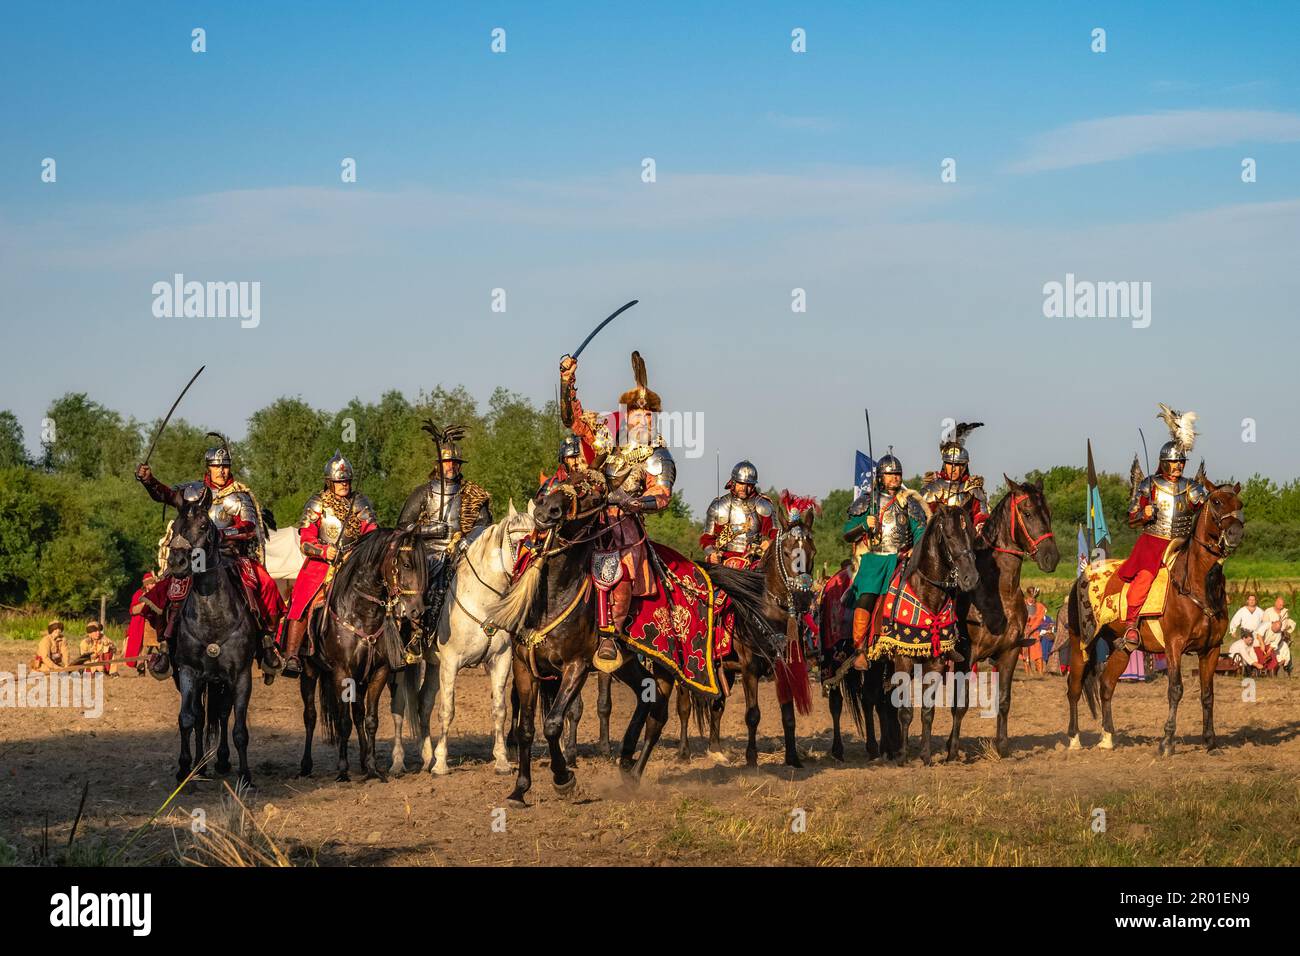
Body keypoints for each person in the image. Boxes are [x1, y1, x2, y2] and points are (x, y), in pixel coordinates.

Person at [559, 350, 676, 671]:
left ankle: (610, 634)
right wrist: (566, 379)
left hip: (624, 522)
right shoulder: (606, 435)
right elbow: (572, 419)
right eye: (637, 415)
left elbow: (662, 495)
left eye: (648, 416)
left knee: (622, 564)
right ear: (627, 415)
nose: (642, 420)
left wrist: (634, 502)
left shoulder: (657, 454)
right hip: (589, 513)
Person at [135, 439, 284, 677]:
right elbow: (165, 495)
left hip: (230, 555)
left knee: (265, 583)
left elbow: (248, 528)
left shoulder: (239, 496)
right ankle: (165, 645)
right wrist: (148, 480)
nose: (222, 471)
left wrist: (220, 534)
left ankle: (267, 643)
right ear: (209, 468)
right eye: (217, 466)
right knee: (168, 589)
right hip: (197, 556)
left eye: (225, 466)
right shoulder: (192, 492)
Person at [1113, 404, 1208, 651]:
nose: (1178, 467)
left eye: (1180, 463)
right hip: (1153, 543)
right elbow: (1131, 517)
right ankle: (1132, 625)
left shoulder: (1191, 487)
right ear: (1164, 463)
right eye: (1173, 463)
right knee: (1144, 579)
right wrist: (1144, 514)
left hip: (1183, 543)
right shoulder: (1149, 485)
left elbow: (1205, 512)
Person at [396, 425, 493, 658]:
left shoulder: (472, 493)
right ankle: (415, 633)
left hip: (462, 551)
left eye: (454, 463)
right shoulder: (423, 492)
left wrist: (467, 540)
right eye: (446, 463)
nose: (451, 466)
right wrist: (429, 530)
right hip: (426, 553)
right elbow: (402, 526)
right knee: (421, 586)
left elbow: (485, 525)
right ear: (437, 465)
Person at [281, 453, 379, 677]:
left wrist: (358, 552)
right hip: (322, 566)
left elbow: (372, 533)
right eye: (338, 481)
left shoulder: (360, 503)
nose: (343, 485)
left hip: (354, 564)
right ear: (329, 482)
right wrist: (326, 551)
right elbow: (306, 542)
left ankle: (391, 651)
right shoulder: (318, 504)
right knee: (303, 600)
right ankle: (293, 655)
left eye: (346, 481)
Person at [842, 452, 928, 668]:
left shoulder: (909, 502)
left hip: (901, 560)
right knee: (867, 597)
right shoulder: (866, 502)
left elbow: (920, 531)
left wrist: (914, 550)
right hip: (874, 560)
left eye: (898, 474)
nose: (895, 478)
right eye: (890, 475)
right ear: (880, 477)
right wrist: (864, 525)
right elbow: (846, 533)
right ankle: (860, 649)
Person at [700, 460, 776, 569]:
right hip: (724, 561)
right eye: (741, 483)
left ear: (753, 485)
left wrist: (769, 543)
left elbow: (776, 535)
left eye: (748, 484)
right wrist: (712, 554)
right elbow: (707, 538)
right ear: (733, 482)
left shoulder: (764, 505)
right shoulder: (719, 506)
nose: (744, 488)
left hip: (754, 561)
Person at [920, 423, 989, 533]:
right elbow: (920, 520)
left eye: (957, 465)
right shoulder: (932, 488)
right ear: (944, 464)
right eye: (949, 464)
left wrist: (980, 527)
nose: (953, 469)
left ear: (964, 466)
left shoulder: (973, 489)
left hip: (967, 541)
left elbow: (981, 515)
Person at [1257, 596, 1295, 676]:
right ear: (1276, 603)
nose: (1282, 607)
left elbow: (1285, 624)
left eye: (1282, 605)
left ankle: (1284, 666)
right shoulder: (1268, 612)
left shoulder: (1284, 612)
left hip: (1279, 637)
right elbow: (1264, 626)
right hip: (1268, 636)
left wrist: (1286, 632)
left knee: (1285, 649)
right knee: (1271, 652)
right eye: (1280, 605)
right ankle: (1270, 667)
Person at [1022, 587, 1047, 675]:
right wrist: (1025, 628)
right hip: (1023, 632)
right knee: (1025, 653)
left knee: (1038, 652)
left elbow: (1039, 619)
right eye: (1031, 597)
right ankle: (1028, 673)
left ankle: (1040, 672)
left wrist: (1031, 629)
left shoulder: (1039, 606)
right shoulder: (1022, 604)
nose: (1032, 600)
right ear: (1027, 596)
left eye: (1034, 598)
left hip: (1034, 633)